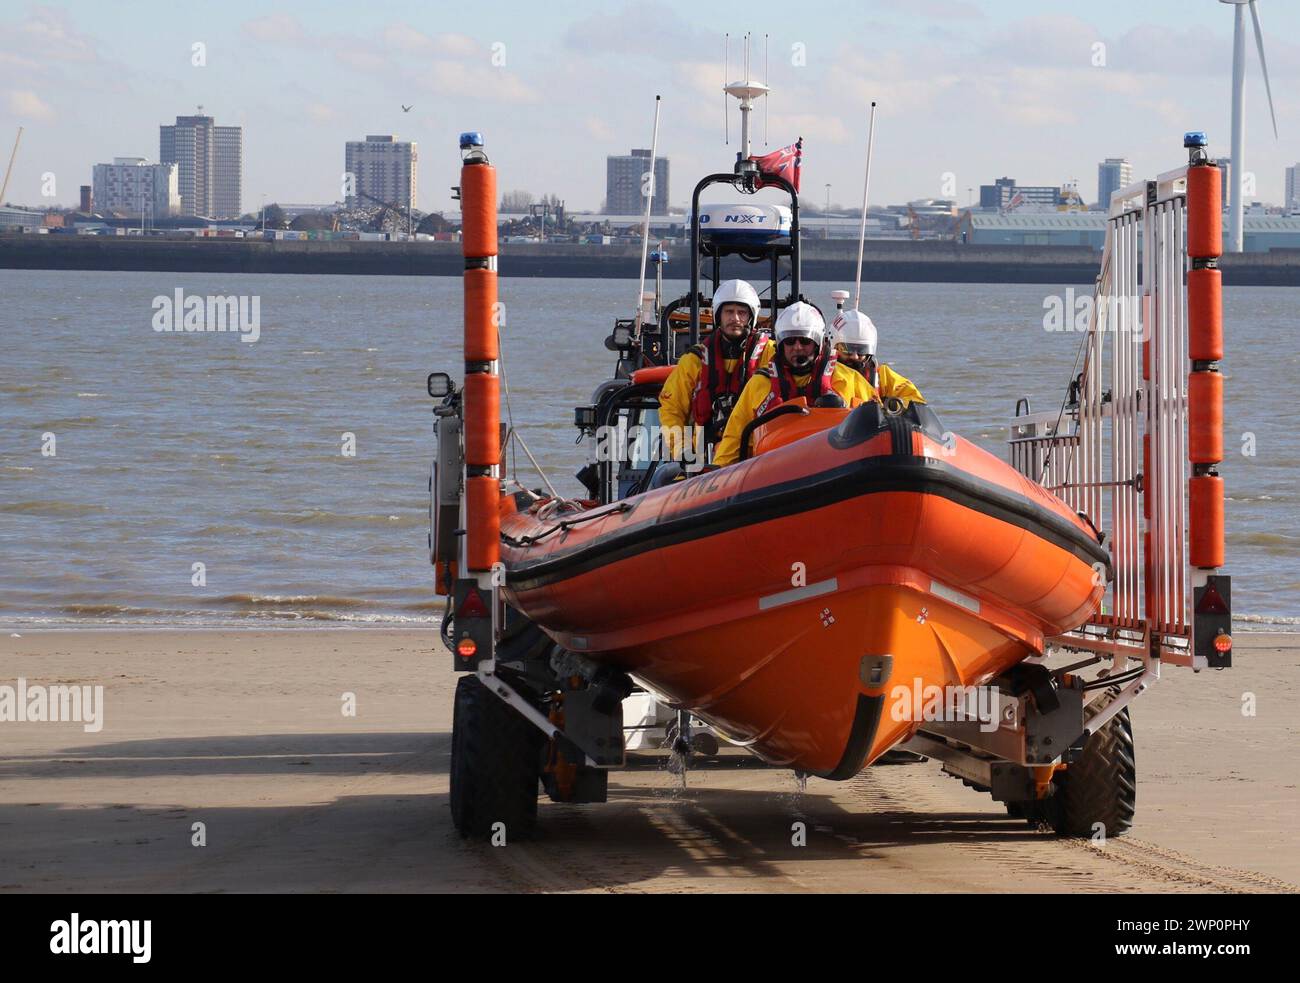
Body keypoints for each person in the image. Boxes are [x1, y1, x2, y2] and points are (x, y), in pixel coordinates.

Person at [714, 301, 867, 466]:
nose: (797, 347)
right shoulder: (759, 384)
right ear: (780, 344)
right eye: (790, 341)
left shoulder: (849, 379)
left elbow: (875, 424)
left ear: (818, 344)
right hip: (771, 471)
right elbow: (734, 438)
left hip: (834, 466)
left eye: (805, 341)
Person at [657, 279, 774, 461]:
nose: (735, 318)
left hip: (756, 457)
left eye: (741, 312)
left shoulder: (771, 354)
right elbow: (671, 409)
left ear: (751, 317)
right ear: (718, 315)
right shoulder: (694, 361)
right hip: (704, 460)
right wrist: (683, 451)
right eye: (729, 312)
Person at [829, 308, 925, 405]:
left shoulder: (882, 376)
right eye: (847, 349)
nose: (855, 356)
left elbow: (914, 401)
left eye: (861, 351)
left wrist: (893, 407)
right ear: (833, 347)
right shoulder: (823, 376)